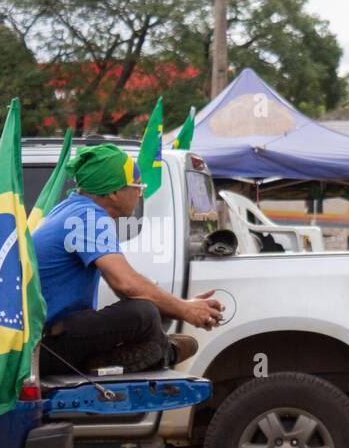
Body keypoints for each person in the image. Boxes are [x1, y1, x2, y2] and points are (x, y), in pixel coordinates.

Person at [32, 144, 223, 375]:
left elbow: (125, 289)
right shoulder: (89, 217)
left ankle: (132, 353)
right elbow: (127, 285)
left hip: (48, 342)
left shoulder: (71, 209)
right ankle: (164, 351)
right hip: (48, 348)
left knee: (153, 304)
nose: (140, 194)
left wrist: (182, 306)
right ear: (114, 192)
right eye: (138, 187)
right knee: (144, 311)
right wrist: (186, 310)